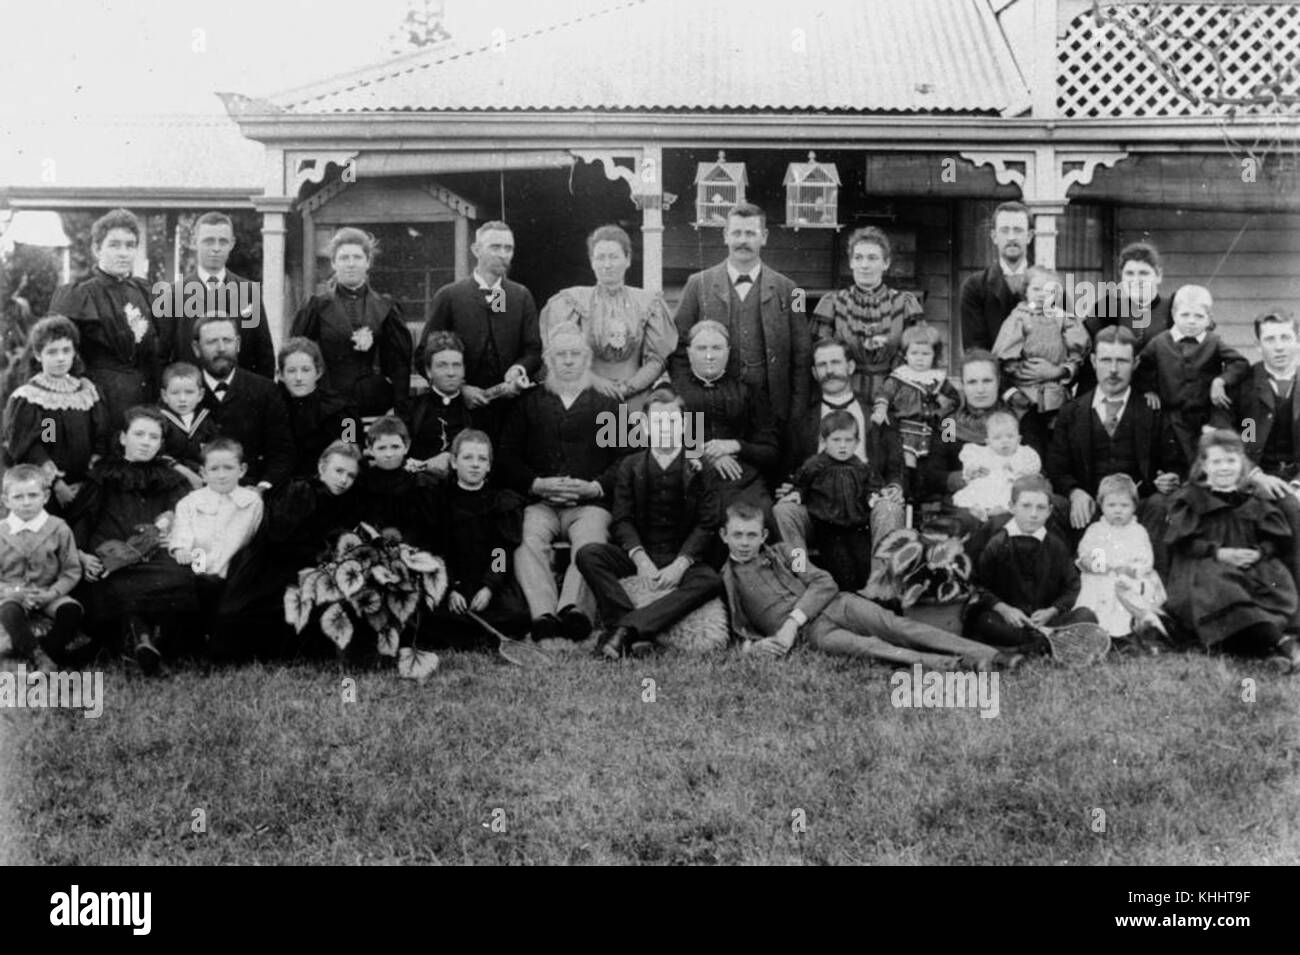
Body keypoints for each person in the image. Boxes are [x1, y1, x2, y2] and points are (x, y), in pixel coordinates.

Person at [718, 500, 1019, 669]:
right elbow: (733, 629)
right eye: (737, 535)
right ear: (724, 536)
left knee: (897, 627)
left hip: (838, 605)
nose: (745, 543)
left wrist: (792, 621)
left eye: (751, 535)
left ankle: (990, 654)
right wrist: (751, 648)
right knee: (868, 647)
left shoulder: (787, 553)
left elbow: (822, 582)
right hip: (816, 632)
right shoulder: (727, 578)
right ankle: (957, 666)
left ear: (763, 536)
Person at [574, 386, 725, 659]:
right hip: (643, 551)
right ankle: (631, 623)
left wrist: (681, 564)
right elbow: (622, 519)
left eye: (672, 421)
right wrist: (640, 559)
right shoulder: (630, 466)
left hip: (682, 556)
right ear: (644, 425)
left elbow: (708, 523)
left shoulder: (702, 466)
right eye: (657, 422)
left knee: (711, 581)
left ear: (683, 425)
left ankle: (625, 631)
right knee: (588, 554)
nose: (665, 428)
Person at [497, 324, 625, 642]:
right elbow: (506, 456)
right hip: (540, 502)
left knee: (591, 541)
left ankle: (574, 610)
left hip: (590, 504)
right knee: (525, 538)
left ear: (587, 359)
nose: (568, 361)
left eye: (575, 354)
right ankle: (543, 614)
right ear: (549, 361)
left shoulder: (607, 403)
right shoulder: (530, 402)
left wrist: (595, 487)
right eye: (561, 355)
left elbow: (629, 458)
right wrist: (536, 484)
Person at [65, 406, 198, 674]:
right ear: (123, 437)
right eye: (139, 434)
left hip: (155, 554)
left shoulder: (170, 478)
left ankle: (144, 642)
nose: (146, 442)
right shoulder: (102, 475)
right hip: (109, 555)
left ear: (161, 443)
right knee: (113, 584)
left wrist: (172, 537)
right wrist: (80, 555)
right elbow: (82, 521)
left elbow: (183, 518)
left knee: (178, 580)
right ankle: (142, 640)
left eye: (153, 437)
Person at [670, 202, 810, 451]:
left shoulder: (793, 290)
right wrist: (692, 396)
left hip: (771, 414)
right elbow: (677, 347)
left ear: (764, 237)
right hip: (715, 411)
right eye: (736, 233)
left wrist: (796, 411)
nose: (743, 241)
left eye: (750, 233)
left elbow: (802, 354)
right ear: (725, 236)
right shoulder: (696, 285)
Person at [211, 442, 361, 663]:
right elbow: (280, 538)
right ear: (321, 467)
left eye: (350, 475)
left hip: (298, 567)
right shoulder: (302, 490)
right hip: (269, 569)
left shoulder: (336, 499)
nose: (343, 480)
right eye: (338, 471)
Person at [1164, 430, 1300, 672]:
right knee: (1218, 584)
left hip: (1249, 567)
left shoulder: (1253, 500)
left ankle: (1266, 652)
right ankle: (1281, 644)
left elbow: (1274, 539)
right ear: (1204, 465)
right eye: (1216, 462)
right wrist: (1218, 553)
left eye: (1231, 461)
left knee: (1274, 579)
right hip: (1206, 567)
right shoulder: (1191, 499)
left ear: (1242, 464)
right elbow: (1183, 542)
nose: (1224, 468)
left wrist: (1260, 553)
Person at [1046, 326, 1179, 569]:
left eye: (1122, 361)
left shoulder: (1152, 412)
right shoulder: (1072, 412)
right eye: (1106, 360)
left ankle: (1152, 591)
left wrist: (1168, 478)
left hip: (1135, 511)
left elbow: (1171, 463)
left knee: (1161, 505)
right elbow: (1057, 466)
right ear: (1094, 361)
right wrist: (1074, 492)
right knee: (1053, 505)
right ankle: (1066, 587)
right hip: (1089, 509)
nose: (1114, 369)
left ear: (1135, 363)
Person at [776, 336, 905, 552]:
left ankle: (880, 585)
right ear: (814, 373)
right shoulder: (802, 420)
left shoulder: (875, 414)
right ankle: (803, 576)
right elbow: (789, 468)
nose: (829, 371)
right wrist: (789, 486)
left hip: (867, 505)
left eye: (835, 362)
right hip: (817, 509)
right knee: (784, 511)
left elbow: (895, 464)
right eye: (822, 365)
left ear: (851, 366)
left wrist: (895, 486)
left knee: (890, 510)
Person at [415, 221, 541, 439]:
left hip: (511, 410)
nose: (503, 254)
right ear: (476, 250)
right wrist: (460, 388)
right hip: (461, 411)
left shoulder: (520, 296)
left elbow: (533, 351)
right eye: (495, 247)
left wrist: (518, 370)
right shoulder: (450, 296)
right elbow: (423, 355)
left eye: (508, 248)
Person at [49, 208, 170, 429]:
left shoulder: (147, 292)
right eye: (114, 245)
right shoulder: (79, 295)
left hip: (147, 403)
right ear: (97, 249)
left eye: (130, 245)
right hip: (100, 404)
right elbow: (56, 353)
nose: (123, 253)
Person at [539, 224, 677, 410]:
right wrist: (595, 382)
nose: (607, 265)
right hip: (585, 394)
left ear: (627, 259)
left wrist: (630, 387)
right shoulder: (571, 301)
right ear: (591, 262)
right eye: (600, 258)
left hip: (636, 398)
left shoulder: (649, 302)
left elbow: (658, 359)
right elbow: (558, 354)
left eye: (613, 257)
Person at [1212, 310, 1300, 598]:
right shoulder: (1244, 386)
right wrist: (1253, 475)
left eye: (1286, 337)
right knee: (1288, 510)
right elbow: (1229, 440)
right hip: (1257, 480)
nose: (1279, 346)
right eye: (1270, 339)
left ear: (1297, 341)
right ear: (1258, 344)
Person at [963, 474, 1099, 653]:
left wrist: (1052, 611)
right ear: (1012, 507)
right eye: (1026, 506)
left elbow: (1071, 587)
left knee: (1086, 616)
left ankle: (1028, 648)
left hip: (1043, 620)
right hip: (1007, 619)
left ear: (1049, 511)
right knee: (984, 622)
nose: (1033, 514)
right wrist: (1004, 609)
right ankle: (1044, 644)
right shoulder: (997, 543)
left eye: (1041, 508)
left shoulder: (1055, 545)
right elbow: (979, 586)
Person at [290, 227, 412, 417]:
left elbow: (399, 366)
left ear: (368, 262)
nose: (351, 264)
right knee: (344, 443)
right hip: (327, 405)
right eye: (344, 258)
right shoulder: (316, 306)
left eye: (357, 257)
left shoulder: (386, 308)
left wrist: (399, 410)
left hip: (374, 404)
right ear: (333, 263)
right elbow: (296, 354)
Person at [426, 430, 530, 648]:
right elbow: (437, 549)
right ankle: (469, 634)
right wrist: (451, 588)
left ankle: (469, 634)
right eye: (467, 458)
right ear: (454, 462)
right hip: (452, 579)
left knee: (516, 615)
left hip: (487, 577)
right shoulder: (440, 500)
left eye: (482, 459)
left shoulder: (501, 501)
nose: (475, 465)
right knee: (430, 618)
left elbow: (501, 551)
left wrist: (489, 587)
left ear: (489, 466)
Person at [1135, 285, 1248, 476]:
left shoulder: (1213, 341)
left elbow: (1239, 362)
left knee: (1206, 458)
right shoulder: (1160, 342)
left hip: (1206, 416)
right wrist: (1149, 389)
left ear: (1209, 318)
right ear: (1173, 313)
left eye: (1199, 317)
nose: (1191, 322)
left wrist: (1220, 381)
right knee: (1176, 462)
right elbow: (1142, 367)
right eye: (1185, 315)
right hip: (1172, 417)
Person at [2, 315, 108, 512]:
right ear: (37, 355)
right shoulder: (34, 399)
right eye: (52, 352)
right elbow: (38, 444)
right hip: (49, 489)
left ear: (74, 352)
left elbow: (99, 437)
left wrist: (89, 480)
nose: (60, 358)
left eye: (66, 350)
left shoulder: (87, 392)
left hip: (87, 486)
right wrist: (57, 485)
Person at [671, 320, 779, 508]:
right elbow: (658, 442)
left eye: (717, 348)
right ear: (689, 353)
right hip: (688, 476)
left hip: (741, 478)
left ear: (728, 351)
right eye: (701, 348)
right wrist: (707, 454)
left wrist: (737, 445)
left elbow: (770, 450)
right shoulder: (673, 392)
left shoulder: (748, 392)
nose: (709, 356)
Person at [809, 226, 924, 401]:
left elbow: (920, 357)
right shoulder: (833, 303)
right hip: (843, 397)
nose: (864, 265)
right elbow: (818, 358)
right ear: (851, 263)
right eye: (858, 258)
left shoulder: (905, 304)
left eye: (872, 258)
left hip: (894, 398)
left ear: (886, 263)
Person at [787, 410, 886, 593]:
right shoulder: (815, 465)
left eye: (848, 441)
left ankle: (868, 601)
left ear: (857, 442)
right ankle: (848, 603)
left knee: (864, 562)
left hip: (857, 526)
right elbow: (801, 484)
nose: (843, 446)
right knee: (842, 567)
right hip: (827, 527)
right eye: (836, 440)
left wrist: (873, 497)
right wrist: (797, 494)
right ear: (824, 441)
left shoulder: (861, 467)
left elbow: (872, 487)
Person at [193, 315, 295, 491]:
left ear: (238, 344)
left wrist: (262, 488)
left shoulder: (265, 391)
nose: (221, 348)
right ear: (196, 348)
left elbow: (282, 451)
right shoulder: (182, 392)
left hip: (253, 492)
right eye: (211, 342)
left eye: (227, 340)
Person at [172, 211, 276, 379]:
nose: (216, 249)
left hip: (240, 398)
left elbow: (264, 356)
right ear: (194, 242)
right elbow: (163, 356)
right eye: (208, 241)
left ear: (232, 244)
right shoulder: (174, 295)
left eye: (223, 241)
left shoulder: (248, 292)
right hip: (190, 399)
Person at [0, 464, 83, 667]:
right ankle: (37, 655)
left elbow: (71, 570)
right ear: (6, 500)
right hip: (11, 594)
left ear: (45, 497)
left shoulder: (58, 528)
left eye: (33, 495)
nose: (26, 503)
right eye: (18, 497)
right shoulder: (1, 531)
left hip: (47, 593)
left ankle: (50, 651)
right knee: (9, 611)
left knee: (71, 611)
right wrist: (11, 591)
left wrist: (52, 593)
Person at [1072, 473, 1166, 644]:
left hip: (1130, 577)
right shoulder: (1097, 530)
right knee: (1101, 590)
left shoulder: (1137, 531)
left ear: (1134, 507)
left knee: (1131, 592)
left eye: (1124, 505)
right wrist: (1099, 566)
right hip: (1101, 576)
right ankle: (1100, 632)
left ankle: (1130, 633)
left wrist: (1132, 570)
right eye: (1111, 505)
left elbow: (1145, 560)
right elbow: (1088, 554)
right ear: (1101, 505)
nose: (1117, 510)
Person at [991, 264, 1088, 424]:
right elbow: (1005, 359)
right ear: (1026, 291)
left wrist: (1059, 371)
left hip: (1056, 398)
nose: (1042, 295)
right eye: (1036, 289)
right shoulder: (1019, 318)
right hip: (1024, 396)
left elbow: (1077, 355)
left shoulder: (1064, 319)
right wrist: (1026, 373)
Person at [871, 322, 960, 491]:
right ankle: (909, 496)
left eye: (926, 354)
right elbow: (884, 394)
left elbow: (955, 401)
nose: (920, 358)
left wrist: (942, 405)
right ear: (905, 355)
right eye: (914, 353)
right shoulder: (899, 377)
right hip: (906, 429)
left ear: (934, 355)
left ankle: (935, 493)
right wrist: (881, 410)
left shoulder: (938, 379)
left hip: (933, 428)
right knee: (907, 464)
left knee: (937, 456)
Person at [1076, 241, 1173, 395]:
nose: (1136, 280)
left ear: (1158, 276)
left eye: (1144, 273)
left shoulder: (1173, 309)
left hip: (1161, 398)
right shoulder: (1108, 307)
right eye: (1130, 273)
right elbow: (1088, 358)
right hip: (1114, 396)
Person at [168, 437, 264, 584]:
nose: (222, 475)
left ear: (242, 470)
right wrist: (181, 548)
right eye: (214, 469)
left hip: (235, 571)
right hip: (198, 568)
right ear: (203, 473)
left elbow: (256, 537)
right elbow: (182, 529)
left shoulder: (252, 501)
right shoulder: (190, 502)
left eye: (229, 468)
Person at [275, 338, 359, 479]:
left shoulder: (342, 411)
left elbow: (350, 451)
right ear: (280, 375)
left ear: (318, 372)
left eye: (306, 370)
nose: (299, 377)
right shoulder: (272, 408)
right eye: (291, 371)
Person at [354, 416, 441, 551]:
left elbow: (426, 529)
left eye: (395, 447)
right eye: (382, 448)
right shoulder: (362, 483)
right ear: (370, 448)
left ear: (406, 446)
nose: (389, 454)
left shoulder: (419, 485)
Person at [959, 201, 1034, 353]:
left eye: (1018, 230)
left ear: (1029, 236)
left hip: (1039, 373)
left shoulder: (1049, 285)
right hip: (993, 373)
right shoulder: (975, 287)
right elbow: (975, 348)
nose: (1011, 237)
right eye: (1005, 230)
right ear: (994, 236)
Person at [402, 331, 475, 478]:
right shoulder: (411, 409)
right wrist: (425, 466)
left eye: (456, 365)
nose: (451, 373)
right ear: (429, 371)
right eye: (442, 366)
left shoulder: (476, 410)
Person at [951, 410, 1042, 523]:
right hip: (989, 486)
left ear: (1019, 439)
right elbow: (970, 471)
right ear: (988, 441)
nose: (1005, 441)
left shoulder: (1024, 453)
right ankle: (980, 509)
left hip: (1012, 485)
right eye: (997, 438)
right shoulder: (983, 453)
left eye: (1010, 436)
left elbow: (1034, 468)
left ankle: (999, 511)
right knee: (975, 494)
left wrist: (1015, 467)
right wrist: (973, 470)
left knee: (1013, 495)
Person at [157, 362, 219, 490]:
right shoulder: (160, 421)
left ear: (200, 395)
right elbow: (158, 454)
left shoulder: (206, 421)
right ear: (164, 396)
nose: (182, 399)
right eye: (175, 393)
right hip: (170, 478)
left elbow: (215, 450)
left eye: (189, 392)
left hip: (203, 479)